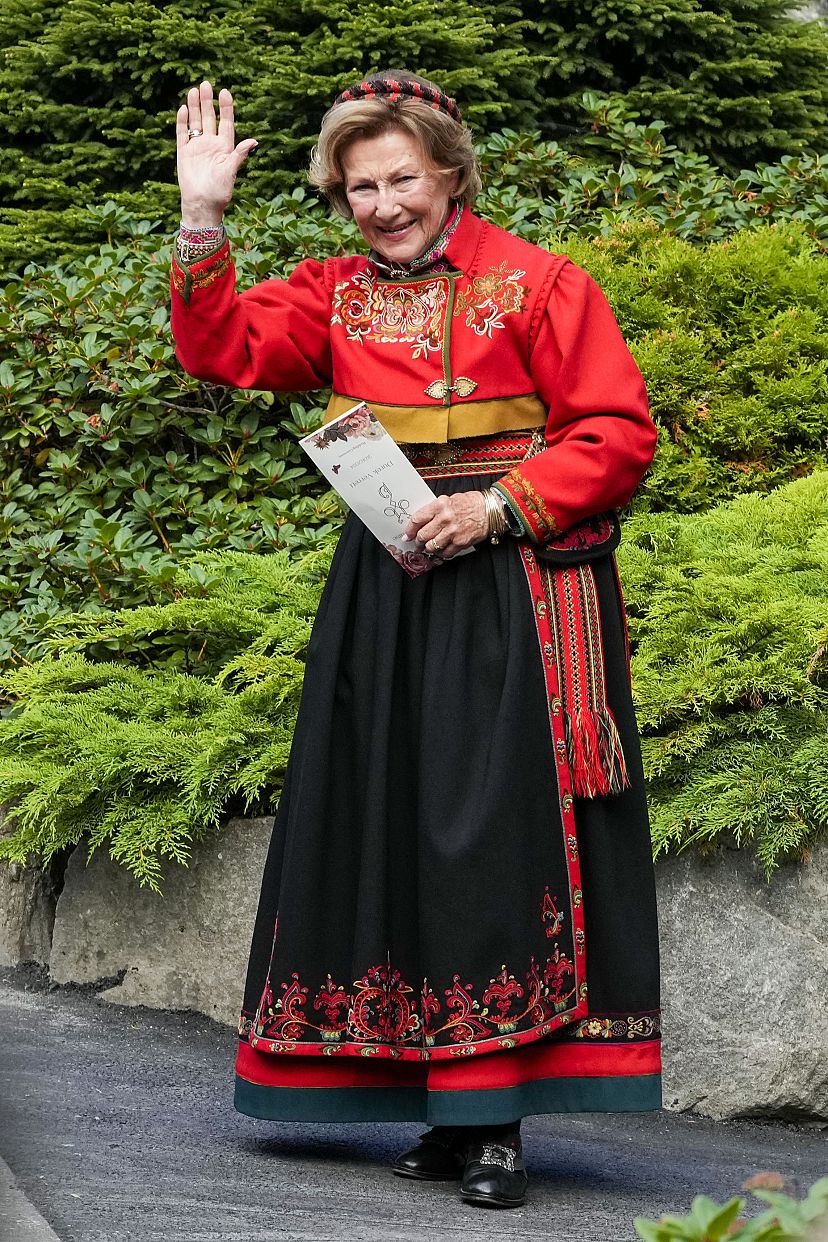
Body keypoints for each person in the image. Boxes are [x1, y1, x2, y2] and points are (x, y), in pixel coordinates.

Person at [170, 71, 661, 1210]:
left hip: (512, 588)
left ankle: (493, 1125)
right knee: (388, 823)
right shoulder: (331, 293)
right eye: (360, 189)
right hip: (383, 591)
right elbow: (221, 348)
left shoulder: (542, 282)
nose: (383, 206)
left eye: (401, 179)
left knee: (488, 839)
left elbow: (618, 430)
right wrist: (202, 216)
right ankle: (442, 1110)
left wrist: (497, 507)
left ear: (450, 171)